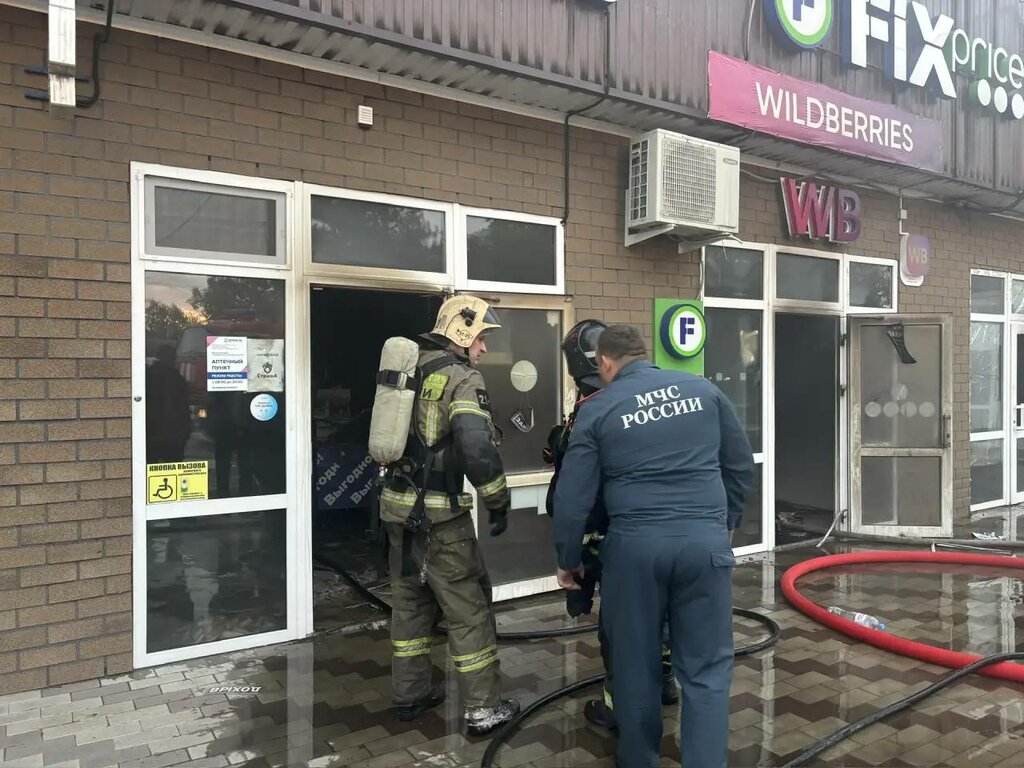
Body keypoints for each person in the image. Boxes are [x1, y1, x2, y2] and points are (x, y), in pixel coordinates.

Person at [553, 325, 753, 768]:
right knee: (705, 672)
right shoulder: (703, 390)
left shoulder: (599, 408)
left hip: (634, 552)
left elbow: (573, 498)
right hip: (705, 546)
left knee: (635, 670)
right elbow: (739, 466)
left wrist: (569, 560)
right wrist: (727, 526)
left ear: (604, 362)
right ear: (644, 353)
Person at [378, 295, 520, 735]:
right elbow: (476, 449)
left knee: (409, 606)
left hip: (398, 514)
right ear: (461, 332)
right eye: (480, 339)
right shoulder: (461, 378)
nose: (482, 349)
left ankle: (409, 695)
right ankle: (482, 710)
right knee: (468, 611)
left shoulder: (409, 371)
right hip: (442, 523)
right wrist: (497, 500)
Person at [543, 319, 677, 732]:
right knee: (660, 614)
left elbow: (573, 489)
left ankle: (618, 708)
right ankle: (665, 682)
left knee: (618, 628)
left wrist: (569, 554)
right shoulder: (656, 398)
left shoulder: (593, 407)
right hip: (664, 533)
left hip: (612, 536)